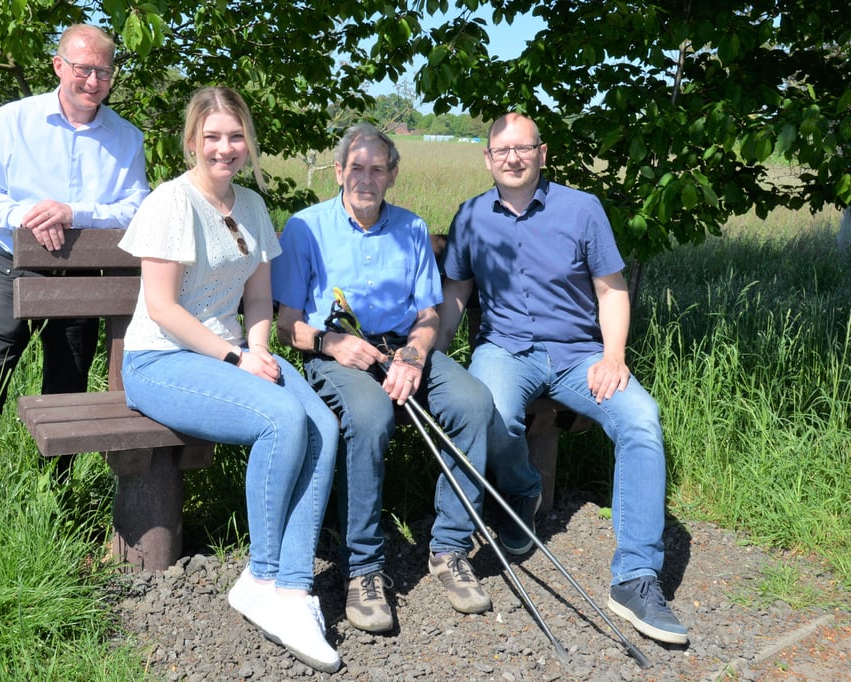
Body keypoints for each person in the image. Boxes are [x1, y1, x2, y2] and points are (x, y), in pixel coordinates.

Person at [436, 112, 689, 646]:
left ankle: (636, 578)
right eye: (502, 150)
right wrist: (431, 357)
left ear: (542, 153)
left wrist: (614, 355)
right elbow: (456, 293)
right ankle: (524, 491)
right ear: (487, 158)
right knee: (490, 413)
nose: (513, 158)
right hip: (505, 351)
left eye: (523, 148)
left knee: (641, 420)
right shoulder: (471, 216)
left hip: (580, 356)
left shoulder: (582, 209)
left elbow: (611, 290)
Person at [117, 86, 341, 673]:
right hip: (160, 361)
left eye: (236, 136)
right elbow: (162, 308)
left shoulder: (252, 206)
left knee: (322, 424)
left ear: (248, 143)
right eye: (212, 136)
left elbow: (260, 298)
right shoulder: (172, 202)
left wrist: (259, 351)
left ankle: (293, 588)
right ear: (192, 141)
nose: (225, 147)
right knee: (282, 418)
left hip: (233, 354)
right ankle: (261, 579)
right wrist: (237, 359)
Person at [273, 123, 495, 634]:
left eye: (377, 169)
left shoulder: (412, 228)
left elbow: (429, 315)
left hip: (403, 349)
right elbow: (287, 326)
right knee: (371, 415)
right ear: (338, 171)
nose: (365, 178)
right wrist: (332, 343)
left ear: (393, 174)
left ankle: (451, 548)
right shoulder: (305, 227)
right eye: (356, 167)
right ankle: (364, 567)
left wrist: (413, 356)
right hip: (337, 352)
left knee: (473, 403)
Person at [0, 24, 149, 458]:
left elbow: (136, 208)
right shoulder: (11, 121)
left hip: (84, 277)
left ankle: (57, 488)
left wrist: (74, 212)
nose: (93, 81)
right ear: (58, 65)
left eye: (104, 72)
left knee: (69, 390)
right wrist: (27, 217)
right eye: (83, 69)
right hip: (14, 267)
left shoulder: (127, 138)